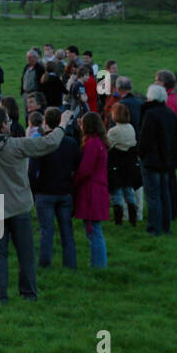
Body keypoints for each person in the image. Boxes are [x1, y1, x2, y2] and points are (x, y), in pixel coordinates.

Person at [0, 105, 74, 303]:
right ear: (3, 126)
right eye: (8, 121)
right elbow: (49, 143)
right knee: (25, 255)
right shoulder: (16, 145)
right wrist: (62, 124)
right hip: (18, 208)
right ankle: (28, 295)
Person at [28, 107, 77, 269]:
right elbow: (77, 166)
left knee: (46, 231)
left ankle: (44, 264)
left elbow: (32, 171)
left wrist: (34, 191)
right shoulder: (71, 143)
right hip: (65, 191)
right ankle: (70, 264)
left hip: (44, 192)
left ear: (45, 122)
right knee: (67, 231)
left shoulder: (41, 143)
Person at [138, 84, 177, 236]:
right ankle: (166, 226)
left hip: (151, 160)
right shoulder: (170, 114)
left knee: (153, 195)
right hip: (166, 160)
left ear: (151, 97)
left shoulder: (150, 114)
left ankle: (154, 228)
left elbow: (145, 139)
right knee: (165, 194)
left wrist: (140, 153)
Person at [75, 111, 110, 268]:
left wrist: (74, 180)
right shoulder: (100, 142)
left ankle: (98, 265)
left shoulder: (91, 144)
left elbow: (85, 170)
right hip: (99, 189)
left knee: (94, 231)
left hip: (91, 191)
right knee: (95, 230)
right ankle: (98, 263)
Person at [106, 101, 141, 226]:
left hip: (116, 165)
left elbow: (107, 146)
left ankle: (118, 221)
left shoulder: (113, 131)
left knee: (116, 193)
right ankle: (133, 219)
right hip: (129, 165)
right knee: (129, 192)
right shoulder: (131, 128)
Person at [156, 69, 177, 221]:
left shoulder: (168, 100)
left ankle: (169, 212)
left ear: (164, 83)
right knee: (171, 179)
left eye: (157, 80)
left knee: (167, 180)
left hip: (170, 143)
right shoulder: (174, 97)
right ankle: (172, 211)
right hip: (175, 140)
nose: (155, 83)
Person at [20, 49, 44, 121]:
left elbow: (41, 83)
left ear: (36, 58)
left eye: (30, 57)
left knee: (34, 114)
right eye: (27, 57)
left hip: (34, 94)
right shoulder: (27, 67)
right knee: (27, 114)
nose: (28, 59)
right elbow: (22, 79)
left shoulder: (39, 68)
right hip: (26, 94)